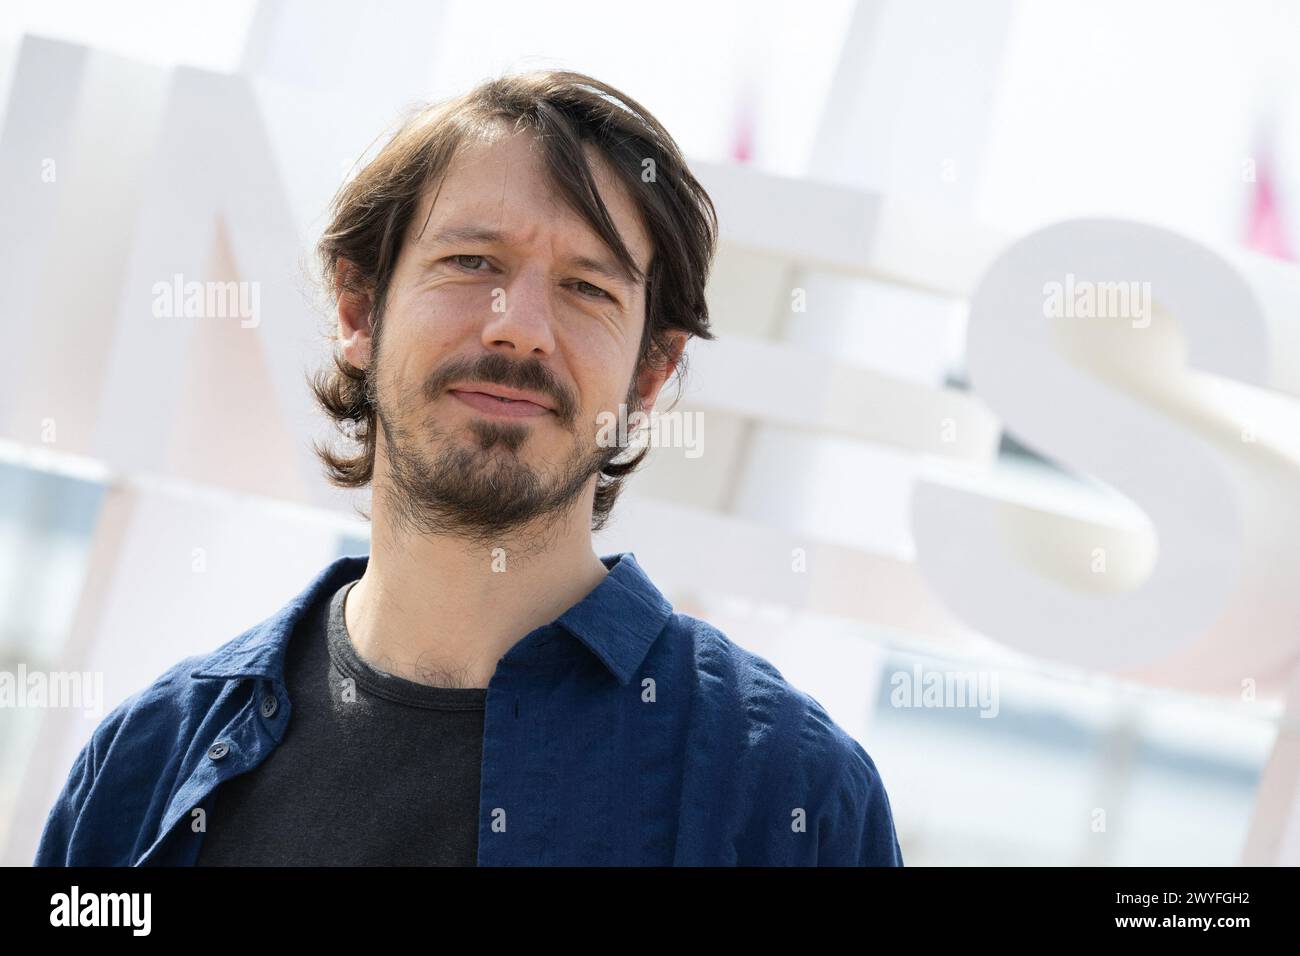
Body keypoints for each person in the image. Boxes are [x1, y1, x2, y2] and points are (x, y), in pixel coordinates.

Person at [34, 69, 903, 866]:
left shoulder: (788, 798)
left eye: (587, 289)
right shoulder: (143, 768)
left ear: (649, 373)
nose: (517, 325)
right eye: (471, 262)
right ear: (359, 309)